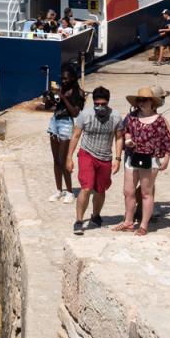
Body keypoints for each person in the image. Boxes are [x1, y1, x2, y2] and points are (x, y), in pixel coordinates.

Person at [114, 87, 170, 236]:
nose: (141, 103)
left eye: (144, 100)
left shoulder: (159, 120)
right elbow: (124, 131)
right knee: (128, 191)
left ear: (152, 102)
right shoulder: (131, 116)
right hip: (132, 156)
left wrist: (166, 158)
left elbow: (167, 140)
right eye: (139, 100)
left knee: (146, 193)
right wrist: (128, 139)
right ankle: (128, 221)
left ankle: (143, 225)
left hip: (150, 158)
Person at [64, 86, 121, 235]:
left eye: (103, 104)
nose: (100, 107)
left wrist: (118, 158)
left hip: (105, 157)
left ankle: (96, 215)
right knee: (87, 187)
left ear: (108, 103)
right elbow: (76, 136)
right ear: (93, 103)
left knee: (101, 189)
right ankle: (78, 220)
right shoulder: (85, 115)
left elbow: (119, 137)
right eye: (97, 104)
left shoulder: (115, 116)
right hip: (87, 154)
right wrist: (69, 157)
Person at [47, 66, 84, 202]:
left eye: (65, 79)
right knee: (56, 160)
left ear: (73, 78)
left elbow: (75, 113)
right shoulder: (61, 89)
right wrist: (50, 98)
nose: (63, 81)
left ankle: (70, 192)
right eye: (62, 78)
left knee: (63, 160)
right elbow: (49, 107)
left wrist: (63, 97)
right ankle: (58, 190)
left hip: (66, 123)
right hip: (54, 122)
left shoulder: (79, 93)